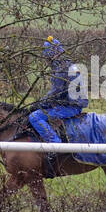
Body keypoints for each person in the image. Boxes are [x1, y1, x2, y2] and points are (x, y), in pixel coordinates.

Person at [28, 36, 87, 178]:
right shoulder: (66, 65)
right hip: (71, 103)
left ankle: (55, 145)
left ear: (51, 55)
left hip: (71, 107)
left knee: (35, 116)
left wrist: (39, 104)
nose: (46, 60)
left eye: (46, 56)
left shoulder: (62, 69)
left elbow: (55, 93)